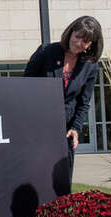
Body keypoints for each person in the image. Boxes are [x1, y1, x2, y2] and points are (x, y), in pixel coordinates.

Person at [24, 16, 104, 196]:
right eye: (77, 36)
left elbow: (84, 102)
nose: (79, 42)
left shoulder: (90, 66)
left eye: (85, 40)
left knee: (61, 183)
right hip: (38, 125)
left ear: (91, 45)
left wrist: (75, 129)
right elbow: (26, 84)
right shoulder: (47, 51)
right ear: (70, 33)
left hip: (65, 130)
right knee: (35, 176)